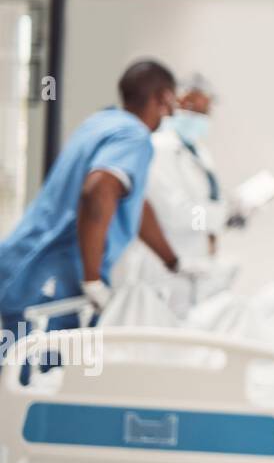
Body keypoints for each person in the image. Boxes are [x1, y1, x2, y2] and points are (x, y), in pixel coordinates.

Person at [0, 60, 184, 349]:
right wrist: (92, 279)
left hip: (22, 263)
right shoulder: (134, 137)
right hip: (51, 279)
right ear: (162, 97)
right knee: (38, 381)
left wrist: (173, 261)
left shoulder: (100, 123)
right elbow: (97, 191)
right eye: (173, 100)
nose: (173, 111)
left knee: (15, 375)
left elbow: (135, 206)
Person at [118, 73, 231, 316]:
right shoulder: (158, 148)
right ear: (174, 103)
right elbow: (176, 213)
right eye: (191, 107)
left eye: (204, 111)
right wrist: (221, 214)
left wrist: (232, 210)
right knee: (162, 340)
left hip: (193, 266)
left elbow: (207, 202)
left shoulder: (198, 151)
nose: (197, 117)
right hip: (163, 269)